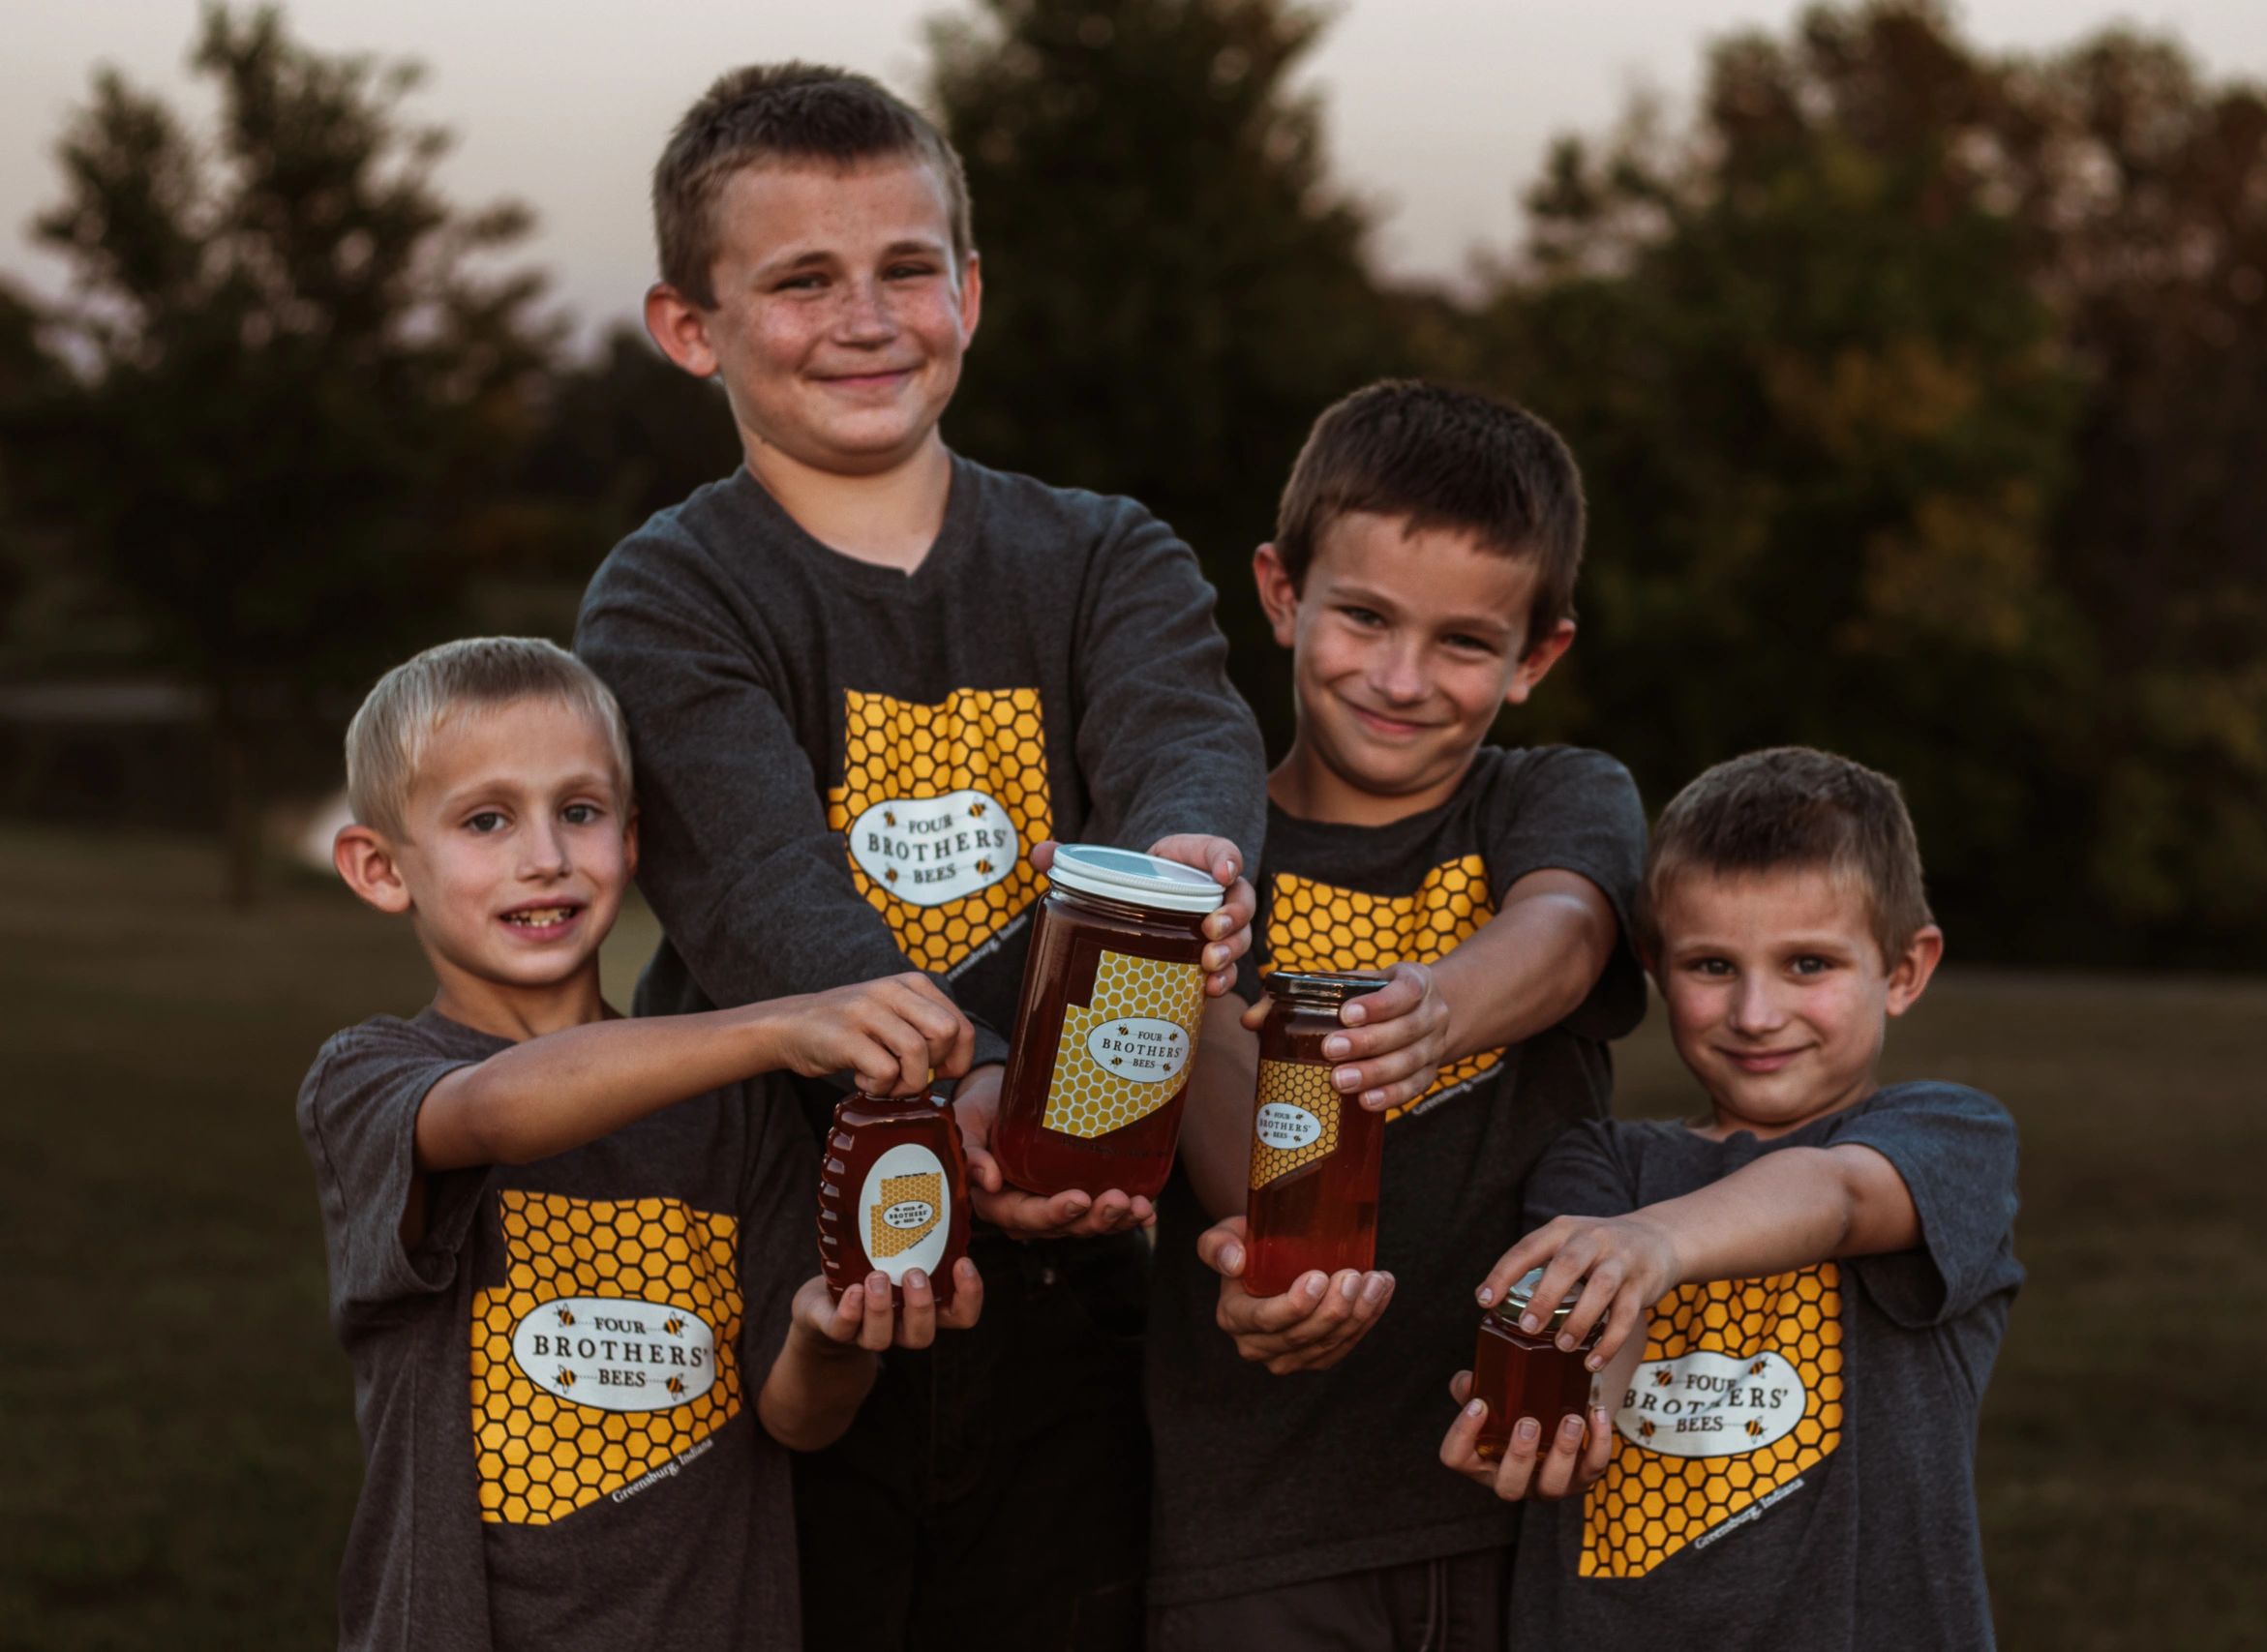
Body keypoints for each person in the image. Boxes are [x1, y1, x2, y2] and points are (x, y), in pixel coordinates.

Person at [570, 64, 1267, 1650]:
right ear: (694, 327)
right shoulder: (670, 595)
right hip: (788, 1274)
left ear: (970, 288)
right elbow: (762, 893)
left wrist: (1187, 870)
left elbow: (1183, 743)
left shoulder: (1105, 554)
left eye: (905, 268)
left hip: (1076, 1285)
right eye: (801, 280)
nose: (867, 318)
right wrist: (977, 1109)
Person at [298, 637, 983, 1652]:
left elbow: (798, 1418)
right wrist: (778, 1021)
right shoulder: (368, 1079)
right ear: (379, 867)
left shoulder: (737, 1108)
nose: (546, 856)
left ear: (632, 837)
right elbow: (499, 1111)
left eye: (579, 812)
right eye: (487, 820)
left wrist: (828, 1338)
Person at [1146, 380, 1649, 1649]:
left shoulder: (1549, 794)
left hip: (1527, 1503)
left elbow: (1571, 931)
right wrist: (1278, 1274)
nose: (1401, 677)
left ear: (1537, 657)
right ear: (1280, 594)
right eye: (1362, 616)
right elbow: (1237, 1180)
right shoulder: (1206, 847)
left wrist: (1441, 1005)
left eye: (1465, 642)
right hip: (1256, 1526)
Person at [1445, 746, 2023, 1652]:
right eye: (1712, 965)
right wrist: (1547, 1415)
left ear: (1905, 970)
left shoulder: (1948, 1135)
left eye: (1807, 964)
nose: (1755, 1013)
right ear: (1652, 964)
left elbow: (1832, 1193)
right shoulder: (1597, 1166)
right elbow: (1595, 1348)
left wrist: (1655, 1247)